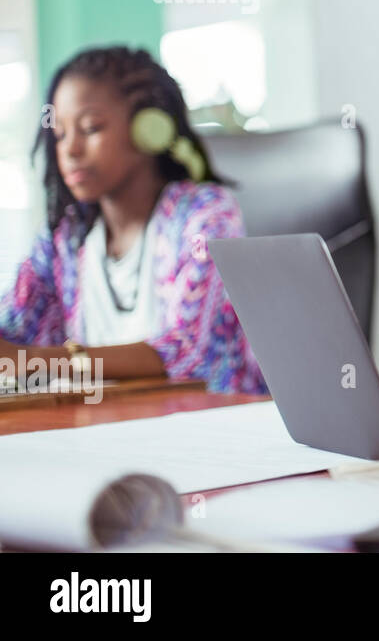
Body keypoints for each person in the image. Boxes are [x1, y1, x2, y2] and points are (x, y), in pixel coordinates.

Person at [0, 46, 265, 394]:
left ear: (149, 129)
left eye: (90, 128)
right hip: (104, 433)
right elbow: (13, 327)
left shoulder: (205, 217)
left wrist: (36, 360)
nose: (69, 150)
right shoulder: (67, 238)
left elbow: (188, 355)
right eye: (61, 134)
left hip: (210, 432)